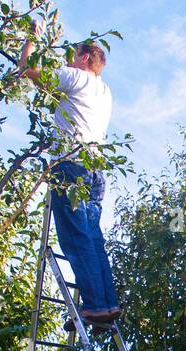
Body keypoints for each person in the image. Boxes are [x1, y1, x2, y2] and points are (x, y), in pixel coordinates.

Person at [18, 35, 120, 330]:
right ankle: (106, 303)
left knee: (75, 238)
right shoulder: (103, 90)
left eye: (73, 54)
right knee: (92, 237)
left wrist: (30, 41)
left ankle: (95, 306)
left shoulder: (76, 77)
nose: (68, 59)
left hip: (71, 167)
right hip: (96, 171)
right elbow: (60, 97)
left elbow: (29, 70)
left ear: (85, 58)